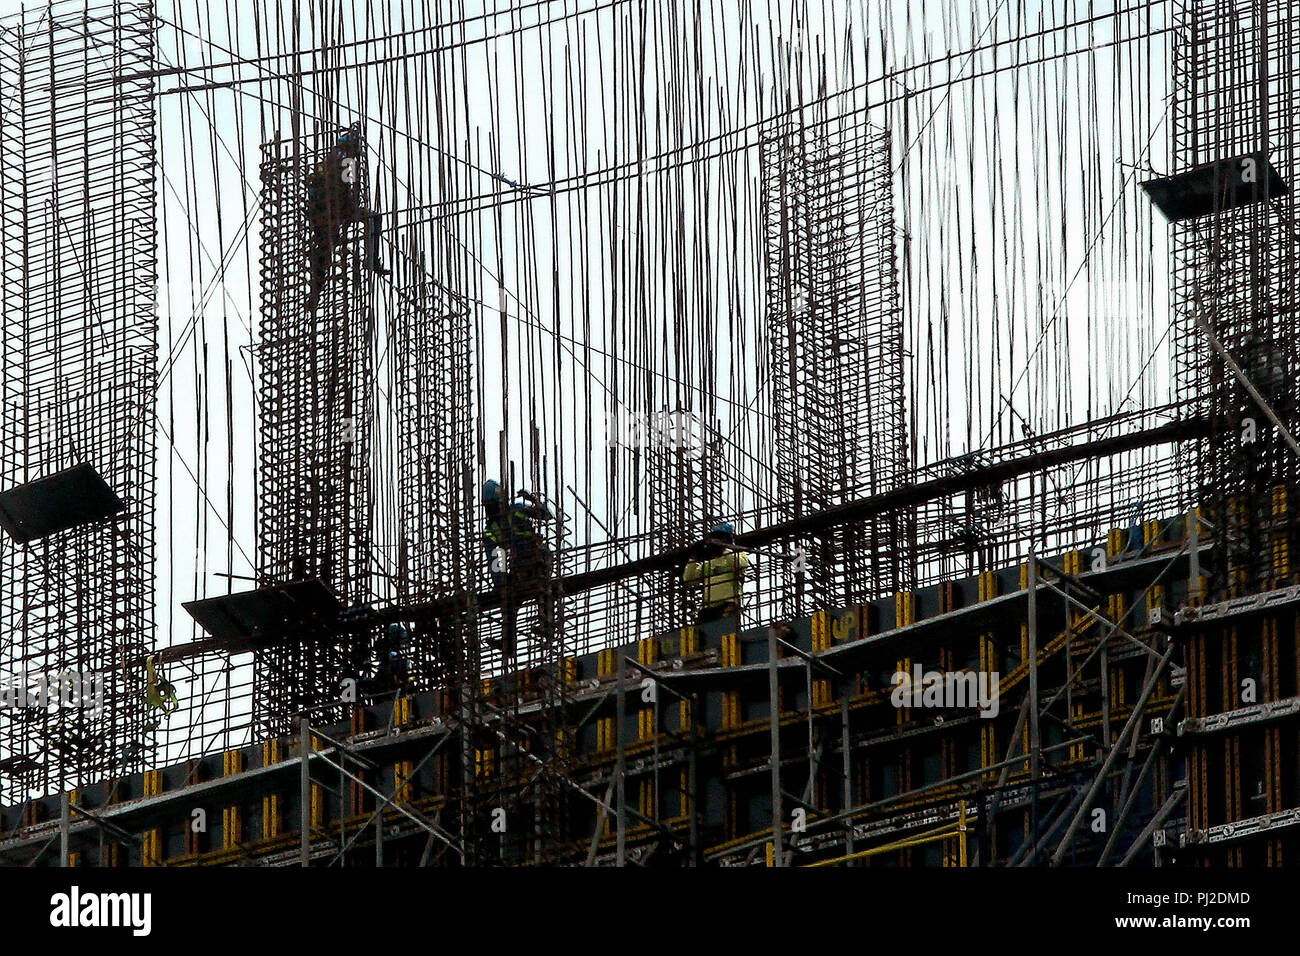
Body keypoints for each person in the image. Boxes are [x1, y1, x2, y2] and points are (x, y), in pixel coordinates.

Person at [305, 123, 387, 313]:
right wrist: (351, 211)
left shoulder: (327, 159)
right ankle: (372, 260)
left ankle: (315, 295)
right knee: (373, 218)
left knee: (324, 252)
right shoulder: (345, 160)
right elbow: (345, 189)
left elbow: (314, 179)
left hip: (319, 212)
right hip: (333, 210)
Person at [682, 522, 751, 624]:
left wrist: (724, 550)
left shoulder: (738, 555)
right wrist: (693, 557)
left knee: (724, 634)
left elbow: (739, 565)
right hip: (707, 609)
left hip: (728, 605)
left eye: (721, 538)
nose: (716, 541)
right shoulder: (709, 563)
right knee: (702, 637)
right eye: (715, 538)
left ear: (729, 540)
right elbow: (689, 579)